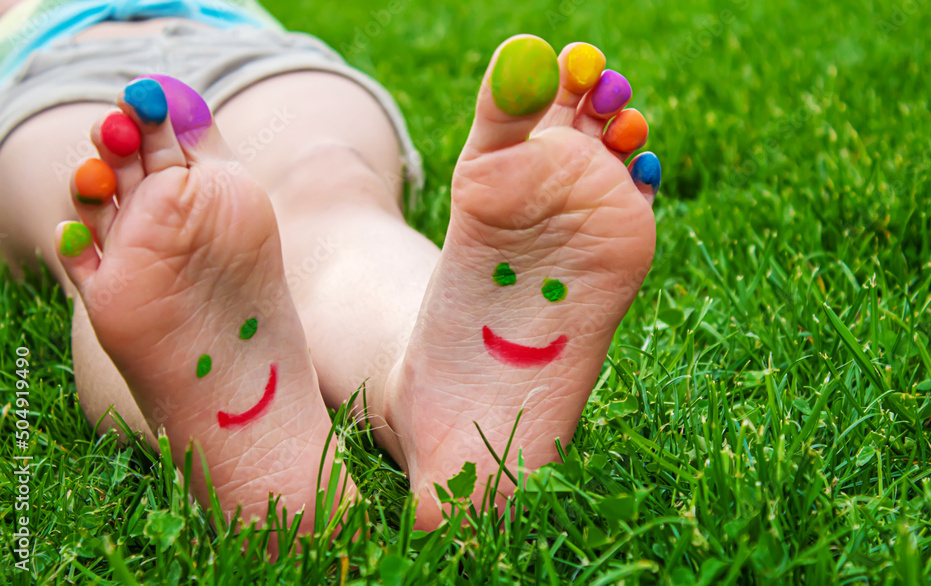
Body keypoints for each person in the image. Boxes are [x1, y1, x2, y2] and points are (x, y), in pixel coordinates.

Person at [0, 0, 661, 537]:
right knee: (182, 219)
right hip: (49, 63)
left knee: (275, 188)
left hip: (242, 56)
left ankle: (424, 395)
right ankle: (399, 373)